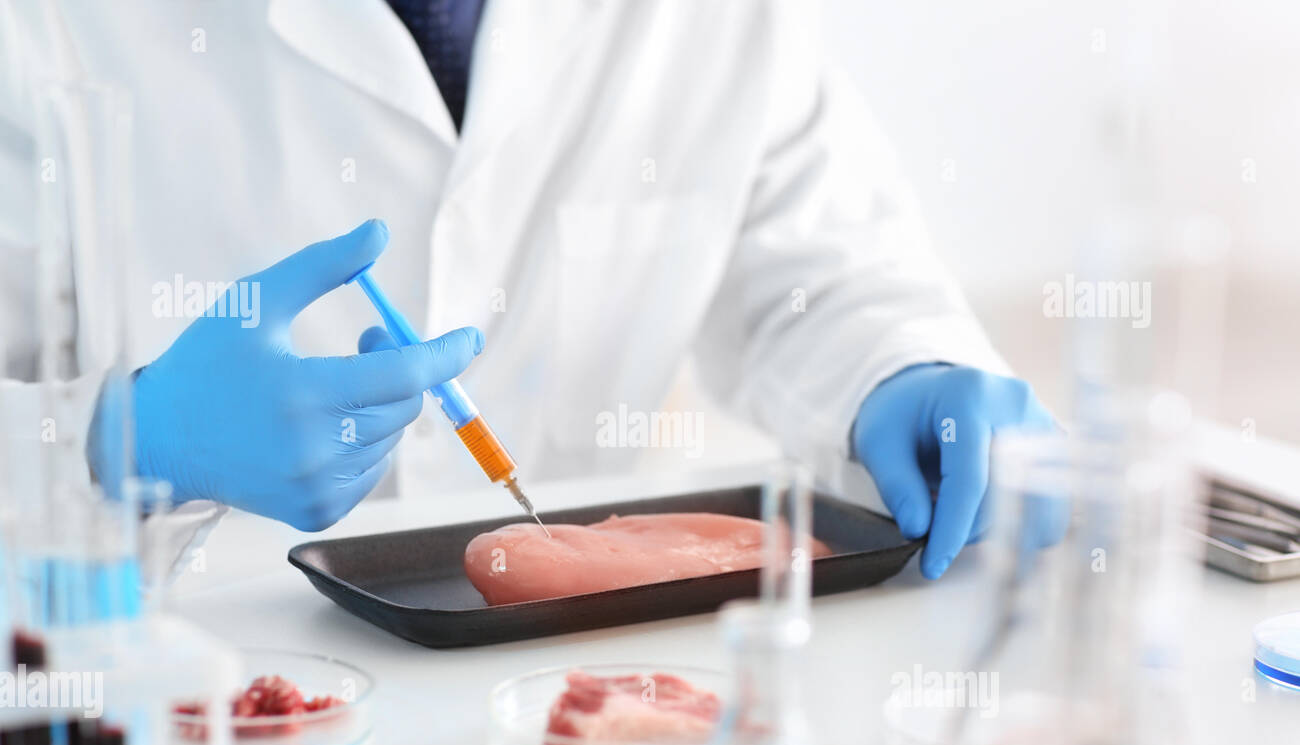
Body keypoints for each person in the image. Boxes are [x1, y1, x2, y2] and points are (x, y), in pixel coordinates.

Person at [0, 0, 1051, 580]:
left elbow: (823, 265)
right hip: (177, 739)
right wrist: (117, 437)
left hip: (573, 722)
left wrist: (902, 366)